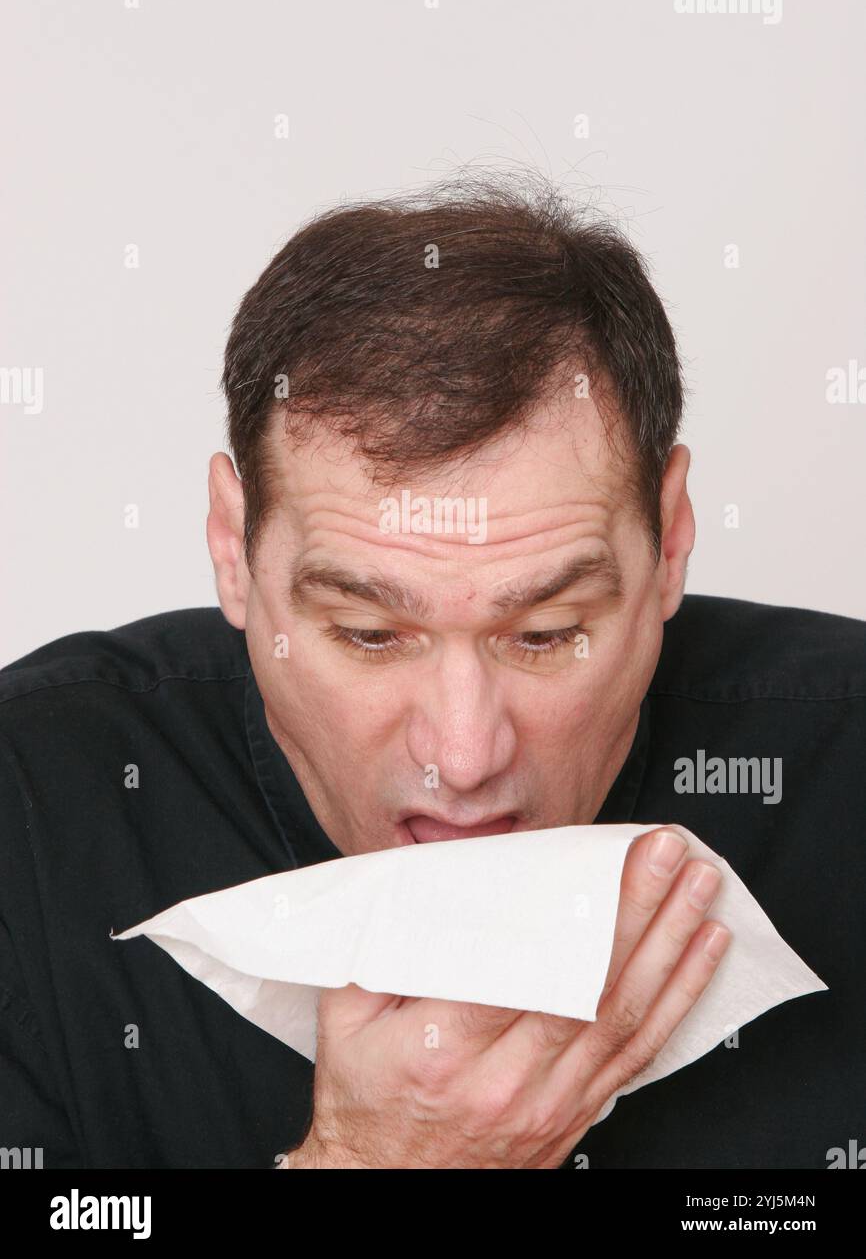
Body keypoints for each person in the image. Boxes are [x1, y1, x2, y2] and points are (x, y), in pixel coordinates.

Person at [1, 174, 863, 1169]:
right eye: (369, 633)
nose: (461, 757)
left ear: (668, 543)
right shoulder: (32, 811)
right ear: (233, 550)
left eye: (543, 632)